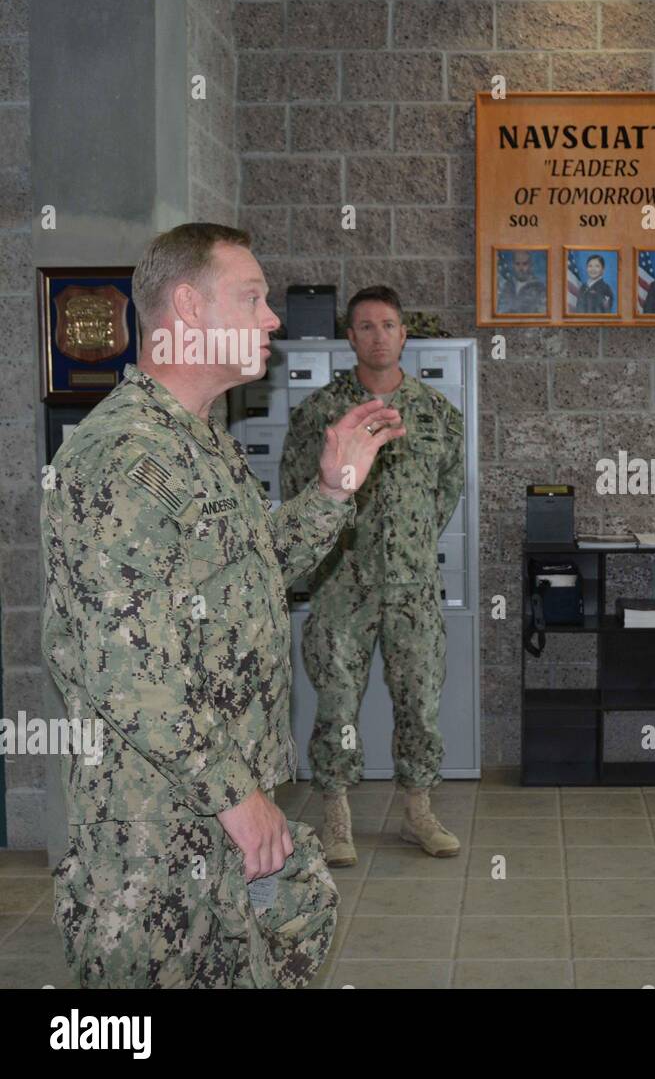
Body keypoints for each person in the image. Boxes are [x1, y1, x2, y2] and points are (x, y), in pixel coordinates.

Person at [41, 223, 403, 988]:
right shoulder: (124, 455)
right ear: (187, 306)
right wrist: (236, 794)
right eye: (253, 297)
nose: (273, 318)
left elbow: (255, 572)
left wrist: (334, 490)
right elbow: (127, 671)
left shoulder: (198, 442)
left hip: (211, 816)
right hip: (156, 842)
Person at [279, 285, 465, 867]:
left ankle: (418, 811)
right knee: (335, 705)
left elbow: (446, 493)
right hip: (342, 586)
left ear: (404, 334)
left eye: (388, 324)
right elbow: (295, 490)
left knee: (421, 704)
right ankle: (336, 816)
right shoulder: (320, 413)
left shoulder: (437, 414)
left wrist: (407, 548)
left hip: (412, 587)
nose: (378, 335)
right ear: (350, 337)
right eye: (365, 326)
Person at [499, 250, 546, 314]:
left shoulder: (539, 288)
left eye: (524, 264)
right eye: (517, 264)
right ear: (513, 265)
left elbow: (543, 314)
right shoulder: (507, 286)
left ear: (531, 266)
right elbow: (500, 310)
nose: (521, 268)